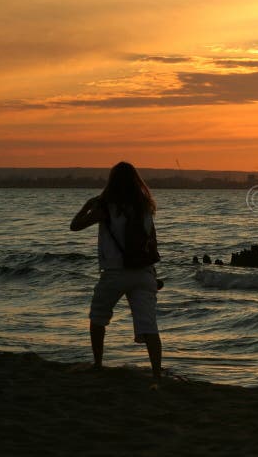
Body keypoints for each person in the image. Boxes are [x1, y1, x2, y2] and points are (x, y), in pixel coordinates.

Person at [70, 161, 162, 382]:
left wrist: (86, 206)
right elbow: (151, 244)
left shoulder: (106, 207)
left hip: (114, 272)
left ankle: (98, 363)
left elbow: (75, 226)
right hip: (143, 272)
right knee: (148, 325)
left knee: (98, 318)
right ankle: (157, 373)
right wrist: (154, 274)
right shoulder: (146, 207)